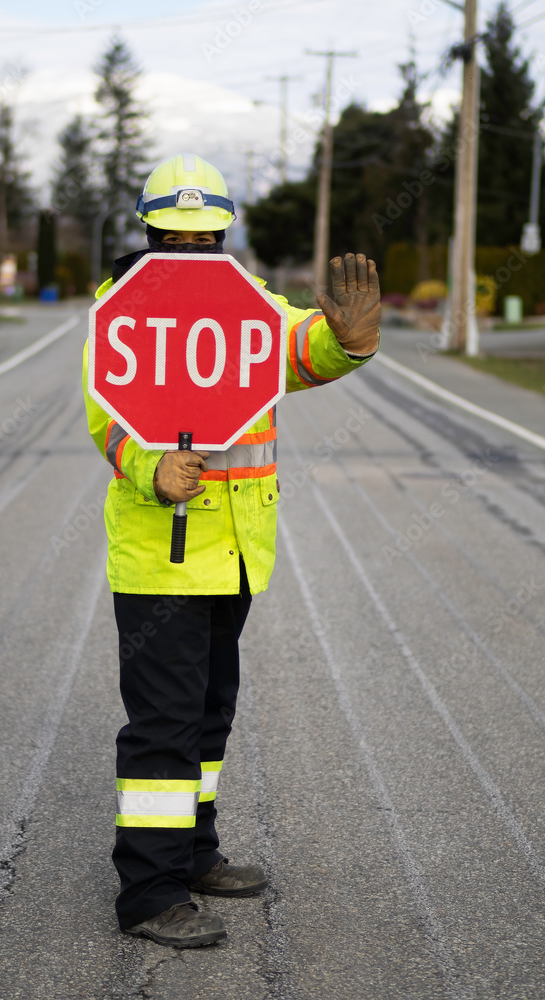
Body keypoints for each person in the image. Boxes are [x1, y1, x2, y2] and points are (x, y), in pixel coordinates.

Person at [82, 153, 381, 949]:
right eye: (175, 236)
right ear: (148, 232)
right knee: (163, 724)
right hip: (160, 562)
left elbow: (299, 350)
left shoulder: (248, 308)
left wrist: (348, 344)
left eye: (202, 236)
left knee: (209, 714)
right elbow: (103, 420)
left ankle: (194, 854)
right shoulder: (119, 312)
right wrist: (150, 467)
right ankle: (148, 892)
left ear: (222, 234)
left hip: (237, 555)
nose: (188, 250)